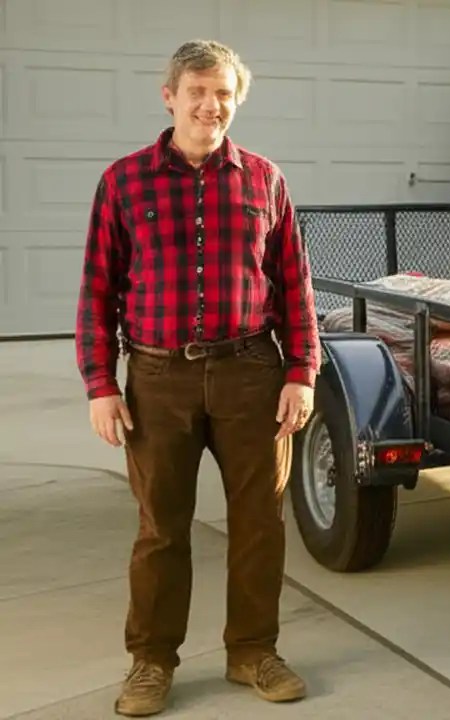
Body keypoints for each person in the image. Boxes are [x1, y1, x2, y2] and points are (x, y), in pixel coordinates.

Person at [74, 39, 320, 717]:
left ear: (236, 100)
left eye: (223, 94)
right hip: (157, 379)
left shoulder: (265, 180)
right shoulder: (124, 181)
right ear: (170, 97)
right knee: (160, 527)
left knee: (260, 521)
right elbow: (97, 290)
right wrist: (101, 384)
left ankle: (253, 652)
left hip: (252, 374)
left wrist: (301, 371)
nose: (211, 106)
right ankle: (151, 661)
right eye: (198, 92)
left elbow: (294, 285)